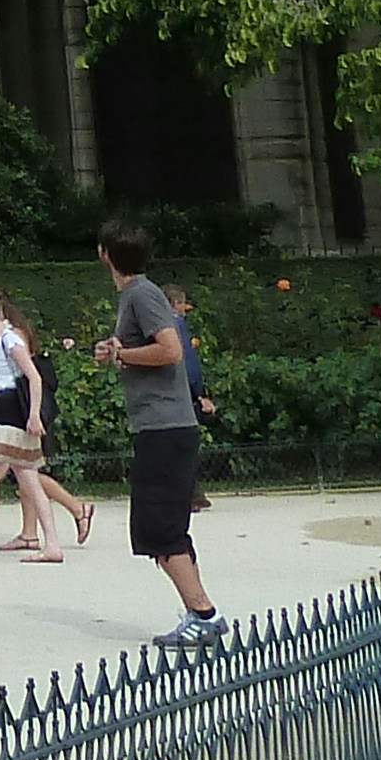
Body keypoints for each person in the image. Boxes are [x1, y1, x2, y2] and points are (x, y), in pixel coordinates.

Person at [94, 218, 219, 647]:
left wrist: (123, 354)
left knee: (158, 528)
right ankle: (198, 610)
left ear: (105, 255)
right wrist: (117, 353)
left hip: (164, 426)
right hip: (163, 425)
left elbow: (170, 349)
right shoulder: (138, 294)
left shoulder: (142, 294)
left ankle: (203, 613)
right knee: (165, 526)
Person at [0, 289, 78, 562]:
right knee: (29, 479)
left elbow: (33, 378)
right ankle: (52, 544)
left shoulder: (8, 341)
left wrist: (34, 415)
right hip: (12, 413)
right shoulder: (8, 339)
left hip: (8, 415)